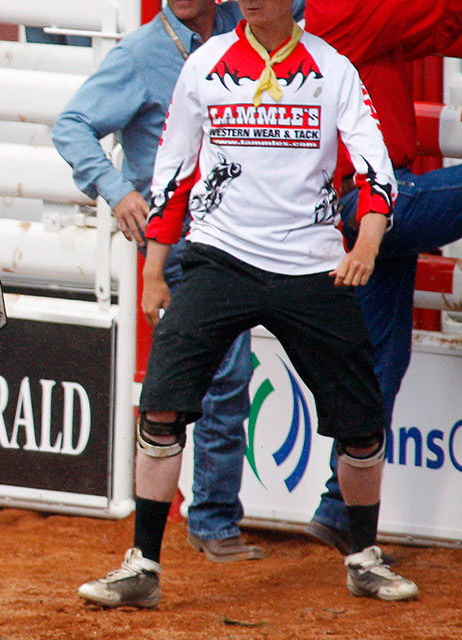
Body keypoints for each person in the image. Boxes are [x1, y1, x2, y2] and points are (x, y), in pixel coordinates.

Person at [75, 0, 419, 608]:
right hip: (217, 258)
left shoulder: (332, 66)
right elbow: (174, 172)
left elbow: (375, 169)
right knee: (159, 409)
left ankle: (363, 557)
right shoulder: (204, 64)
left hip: (311, 263)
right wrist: (155, 269)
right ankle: (142, 566)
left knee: (362, 424)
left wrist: (364, 244)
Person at [52, 0, 302, 563]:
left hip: (231, 232)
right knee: (222, 374)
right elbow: (71, 125)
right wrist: (117, 191)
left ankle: (204, 522)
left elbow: (72, 125)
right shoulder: (144, 54)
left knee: (216, 374)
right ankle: (211, 522)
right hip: (189, 239)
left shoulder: (246, 25)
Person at [302, 0, 462, 555]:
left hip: (364, 200)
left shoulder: (348, 19)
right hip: (376, 196)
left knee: (382, 359)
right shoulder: (344, 11)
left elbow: (434, 24)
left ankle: (336, 508)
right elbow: (430, 14)